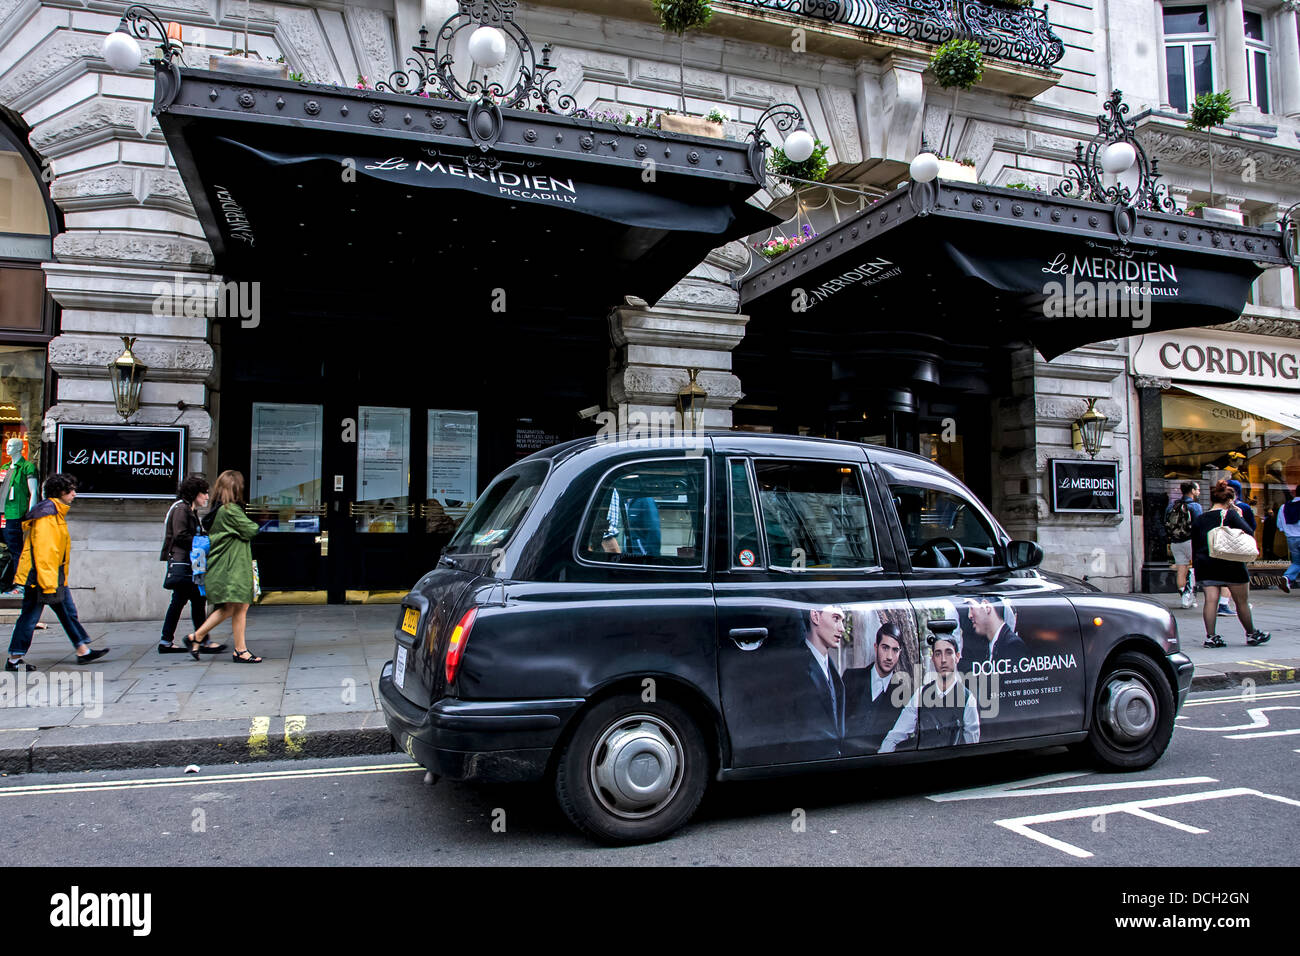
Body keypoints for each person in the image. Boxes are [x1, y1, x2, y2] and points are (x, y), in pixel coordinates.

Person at [5, 474, 110, 671]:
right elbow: (45, 552)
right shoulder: (47, 515)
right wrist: (48, 584)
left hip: (53, 576)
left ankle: (82, 650)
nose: (74, 494)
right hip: (42, 578)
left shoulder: (54, 511)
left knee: (67, 612)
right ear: (61, 492)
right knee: (30, 617)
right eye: (71, 490)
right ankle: (14, 659)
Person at [186, 470, 261, 662]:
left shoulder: (218, 510)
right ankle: (239, 650)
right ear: (235, 489)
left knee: (232, 608)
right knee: (240, 606)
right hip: (232, 567)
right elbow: (251, 529)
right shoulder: (230, 510)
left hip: (224, 566)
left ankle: (198, 637)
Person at [1193, 479, 1270, 648]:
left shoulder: (1200, 518)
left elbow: (1196, 544)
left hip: (1206, 564)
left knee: (1210, 601)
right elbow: (1249, 532)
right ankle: (1251, 634)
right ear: (1229, 500)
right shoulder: (1231, 514)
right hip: (1231, 563)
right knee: (1241, 601)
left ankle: (1211, 637)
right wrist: (1238, 514)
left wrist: (1197, 568)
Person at [879, 627, 979, 753]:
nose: (943, 660)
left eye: (948, 652)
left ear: (957, 657)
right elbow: (896, 735)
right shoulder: (921, 695)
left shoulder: (967, 700)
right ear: (933, 659)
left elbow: (972, 746)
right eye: (938, 654)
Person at [158, 476, 223, 654]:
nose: (207, 497)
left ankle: (189, 639)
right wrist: (204, 541)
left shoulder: (189, 509)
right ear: (195, 494)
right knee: (188, 601)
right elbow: (180, 536)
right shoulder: (181, 509)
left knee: (191, 601)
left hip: (191, 563)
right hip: (185, 563)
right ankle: (196, 640)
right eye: (204, 493)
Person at [844, 621, 912, 754]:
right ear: (876, 647)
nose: (889, 657)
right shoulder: (851, 678)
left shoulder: (903, 693)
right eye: (885, 648)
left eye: (895, 650)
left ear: (900, 652)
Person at [1, 437, 38, 593]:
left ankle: (20, 584)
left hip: (15, 513)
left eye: (11, 445)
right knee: (9, 549)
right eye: (7, 445)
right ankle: (7, 582)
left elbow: (33, 491)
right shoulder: (5, 466)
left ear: (19, 448)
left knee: (16, 549)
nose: (8, 447)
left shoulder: (27, 467)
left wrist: (31, 514)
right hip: (2, 513)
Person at [1217, 479, 1257, 616]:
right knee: (1237, 576)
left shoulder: (1217, 508)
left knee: (1226, 575)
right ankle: (1229, 603)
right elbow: (1251, 527)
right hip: (1236, 545)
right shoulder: (1242, 508)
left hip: (1220, 545)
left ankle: (1225, 602)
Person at [961, 596, 1028, 672]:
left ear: (987, 607)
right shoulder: (990, 643)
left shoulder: (1012, 644)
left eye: (972, 608)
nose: (969, 615)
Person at [1164, 481, 1202, 608]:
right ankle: (1188, 595)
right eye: (1197, 489)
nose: (1199, 492)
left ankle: (1184, 597)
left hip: (1176, 542)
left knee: (1181, 569)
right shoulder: (1195, 506)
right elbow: (1199, 525)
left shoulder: (1171, 506)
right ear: (1192, 490)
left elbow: (1166, 523)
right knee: (1193, 568)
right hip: (1191, 541)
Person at [1277, 483, 1300, 595]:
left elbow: (1280, 525)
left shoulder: (1283, 507)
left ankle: (1287, 577)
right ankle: (1287, 577)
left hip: (1291, 539)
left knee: (1297, 562)